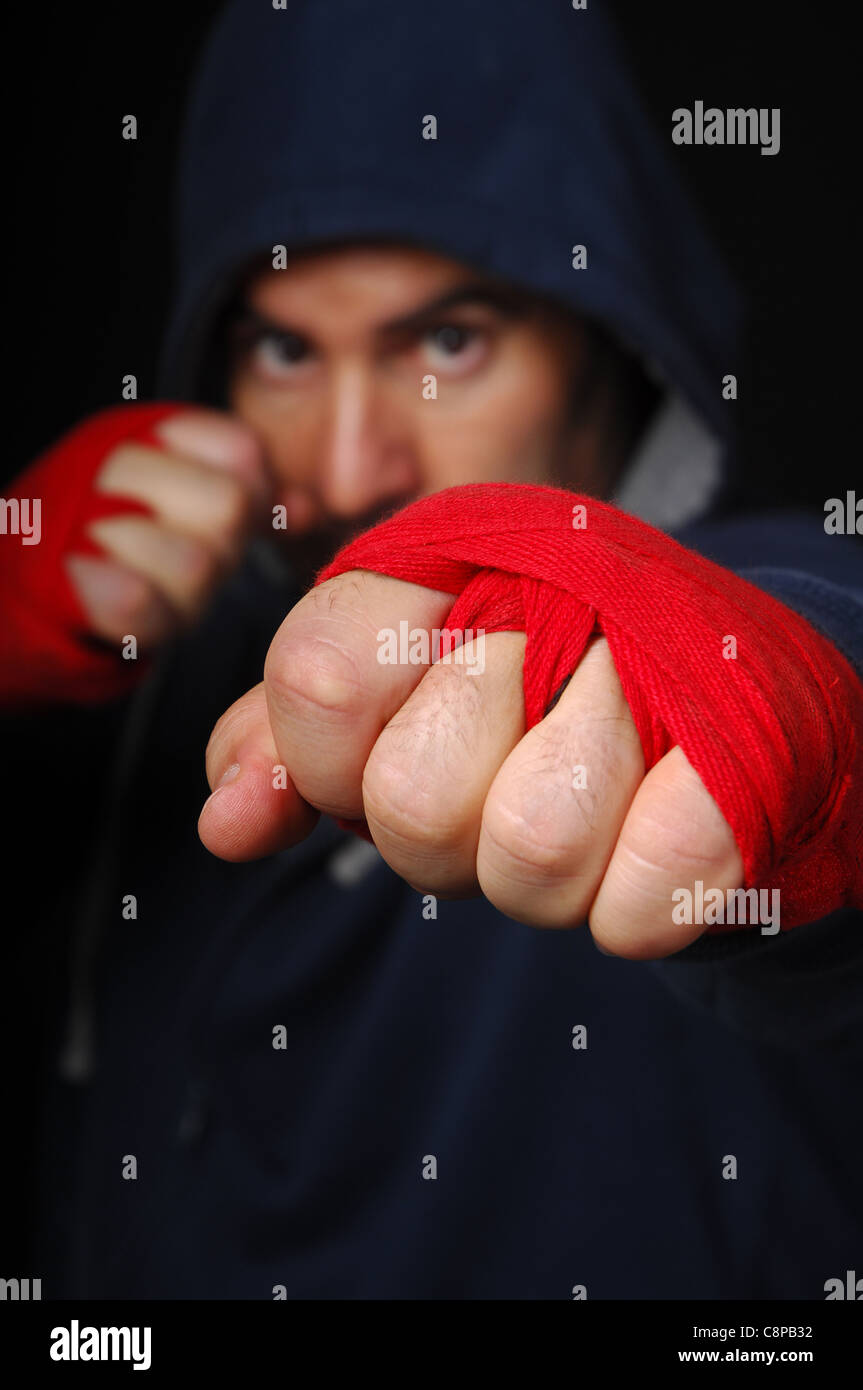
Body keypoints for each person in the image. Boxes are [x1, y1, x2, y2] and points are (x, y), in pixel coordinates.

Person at [3, 0, 861, 1299]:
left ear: (606, 350)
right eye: (285, 347)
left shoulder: (752, 596)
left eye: (446, 345)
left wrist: (787, 715)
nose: (351, 467)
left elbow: (810, 624)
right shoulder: (155, 667)